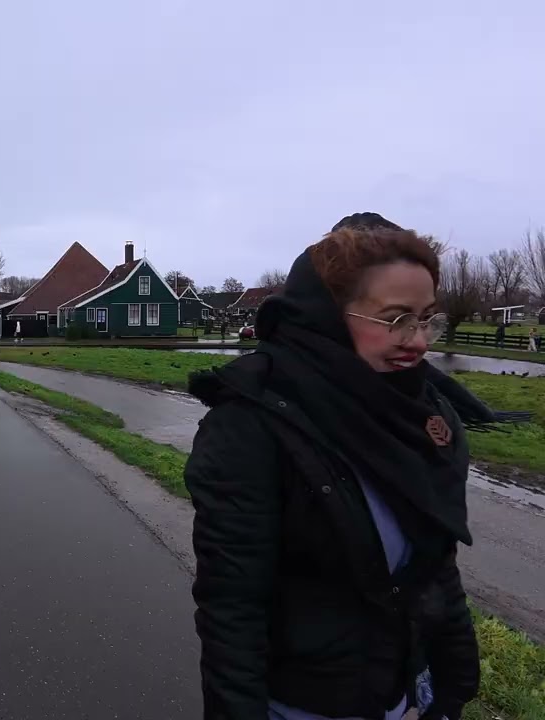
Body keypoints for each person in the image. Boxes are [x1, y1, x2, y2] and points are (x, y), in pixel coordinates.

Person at [184, 212, 503, 720]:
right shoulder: (251, 428)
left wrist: (456, 683)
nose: (419, 340)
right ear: (327, 317)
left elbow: (436, 564)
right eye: (396, 318)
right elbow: (233, 609)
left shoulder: (424, 416)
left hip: (401, 697)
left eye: (426, 319)